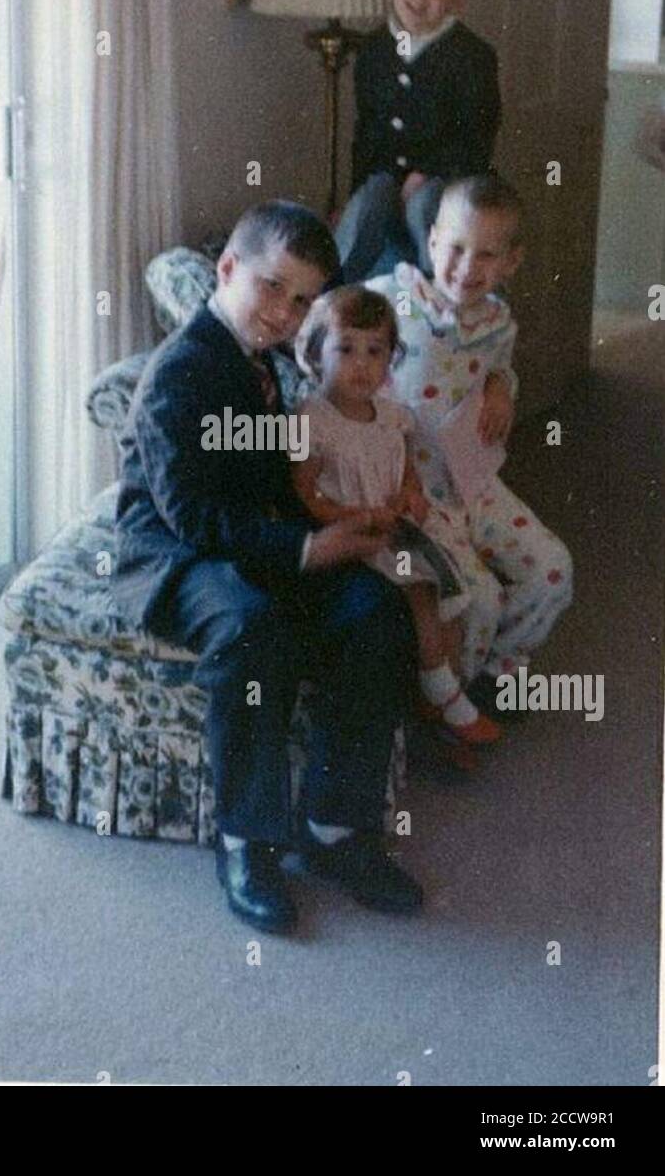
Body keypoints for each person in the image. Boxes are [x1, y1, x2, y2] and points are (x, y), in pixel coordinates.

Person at [113, 201, 423, 934]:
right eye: (272, 287)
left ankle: (334, 829)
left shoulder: (272, 359)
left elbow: (281, 472)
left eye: (304, 299)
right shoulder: (181, 373)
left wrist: (331, 526)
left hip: (260, 535)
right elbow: (193, 517)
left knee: (379, 614)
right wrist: (308, 551)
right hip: (176, 554)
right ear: (227, 271)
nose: (286, 313)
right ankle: (246, 841)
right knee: (253, 627)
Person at [368, 175, 573, 688]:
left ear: (511, 263)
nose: (466, 268)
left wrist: (502, 387)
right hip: (415, 493)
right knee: (479, 596)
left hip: (475, 482)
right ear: (433, 240)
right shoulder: (390, 298)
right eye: (456, 248)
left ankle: (498, 673)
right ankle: (453, 697)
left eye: (486, 255)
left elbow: (500, 366)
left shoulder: (500, 322)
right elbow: (325, 333)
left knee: (553, 569)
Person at [292, 284, 502, 746]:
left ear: (391, 358)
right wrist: (353, 514)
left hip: (395, 527)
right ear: (315, 354)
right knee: (421, 589)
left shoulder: (392, 416)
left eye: (375, 351)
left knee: (453, 592)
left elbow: (406, 471)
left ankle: (439, 689)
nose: (361, 364)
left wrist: (411, 495)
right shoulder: (313, 419)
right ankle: (445, 696)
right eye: (344, 349)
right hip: (350, 533)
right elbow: (304, 494)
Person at [336, 0, 501, 282]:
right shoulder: (374, 50)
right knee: (368, 201)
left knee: (426, 205)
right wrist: (354, 196)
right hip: (384, 181)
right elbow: (366, 133)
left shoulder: (473, 58)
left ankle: (437, 294)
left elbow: (475, 138)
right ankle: (337, 290)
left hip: (445, 186)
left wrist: (426, 172)